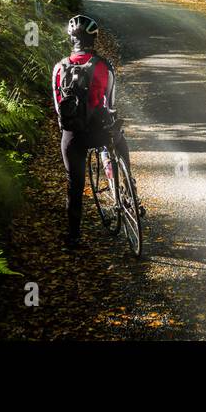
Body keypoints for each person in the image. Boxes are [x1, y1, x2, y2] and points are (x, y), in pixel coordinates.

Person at [51, 14, 134, 249]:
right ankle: (129, 191)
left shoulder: (59, 68)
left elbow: (58, 107)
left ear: (71, 38)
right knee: (119, 140)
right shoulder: (104, 67)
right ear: (93, 39)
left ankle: (74, 237)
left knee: (74, 185)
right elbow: (111, 103)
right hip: (99, 131)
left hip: (72, 136)